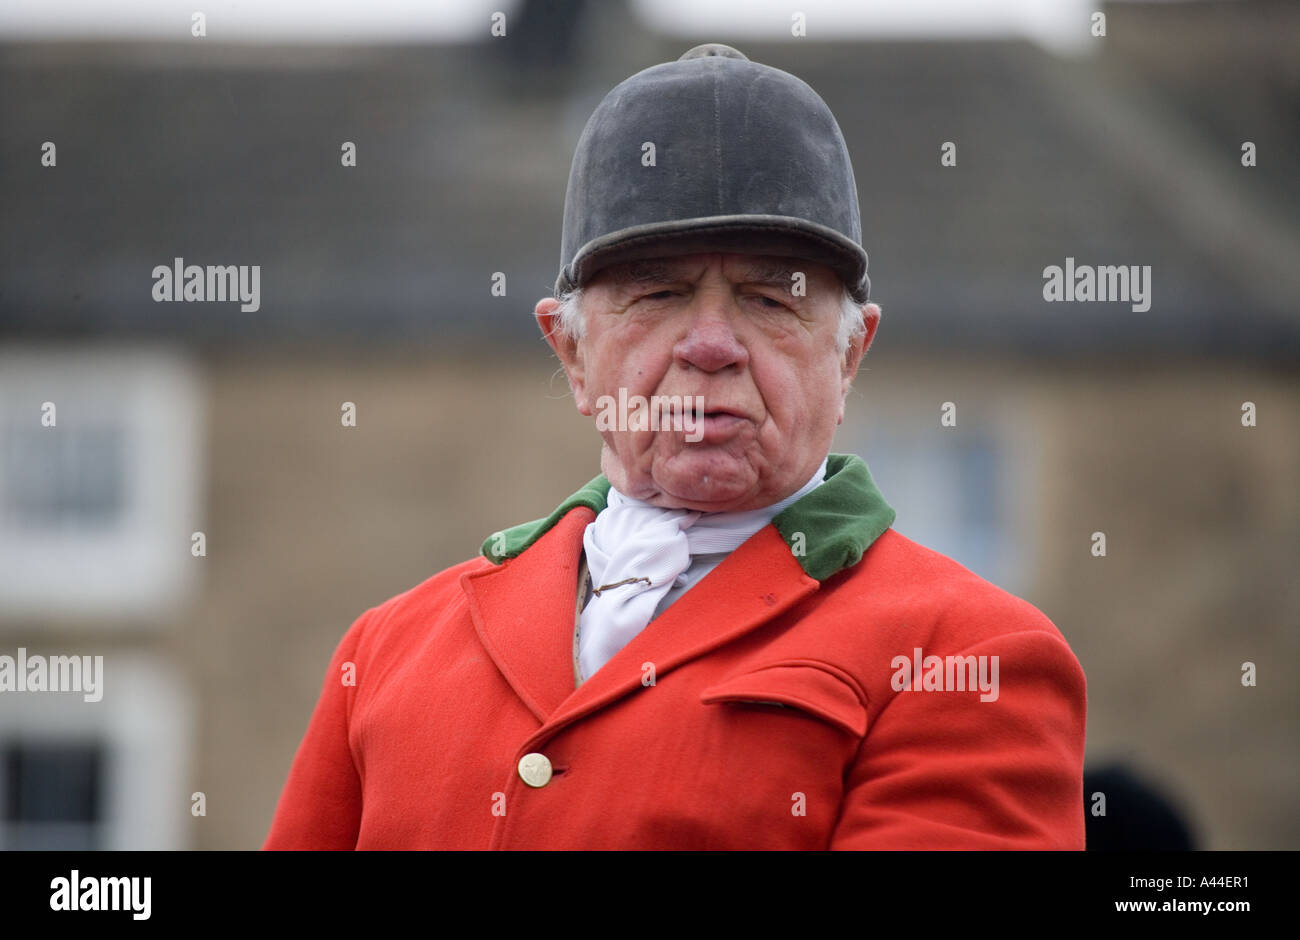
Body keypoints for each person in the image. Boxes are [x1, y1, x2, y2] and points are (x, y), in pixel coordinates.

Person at [263, 43, 1086, 850]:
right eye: (657, 294)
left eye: (770, 298)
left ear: (850, 356)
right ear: (573, 354)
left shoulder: (971, 656)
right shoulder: (384, 653)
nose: (713, 345)